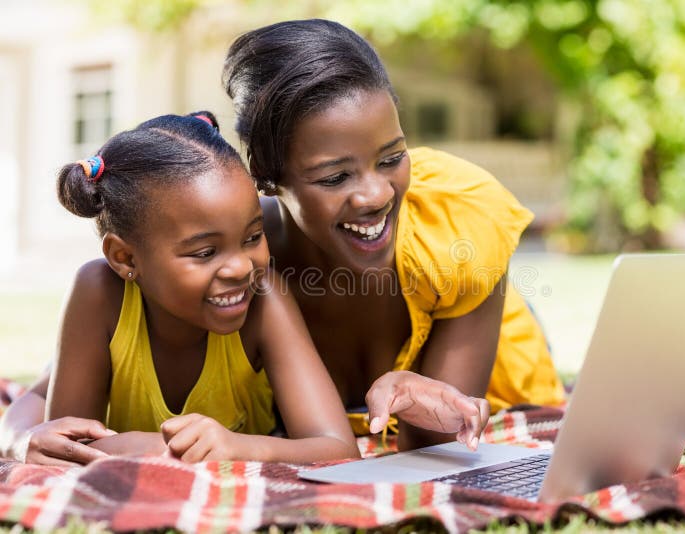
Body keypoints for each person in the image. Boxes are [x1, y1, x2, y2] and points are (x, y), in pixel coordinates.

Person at [0, 111, 489, 465]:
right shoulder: (98, 292)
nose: (240, 267)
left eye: (253, 237)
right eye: (204, 252)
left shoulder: (264, 299)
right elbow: (66, 443)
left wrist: (236, 447)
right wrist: (19, 439)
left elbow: (338, 448)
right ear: (126, 259)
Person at [221, 19, 565, 450]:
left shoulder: (456, 219)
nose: (377, 195)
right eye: (335, 177)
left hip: (493, 349)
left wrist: (413, 392)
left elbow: (441, 444)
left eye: (391, 158)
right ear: (265, 174)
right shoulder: (234, 264)